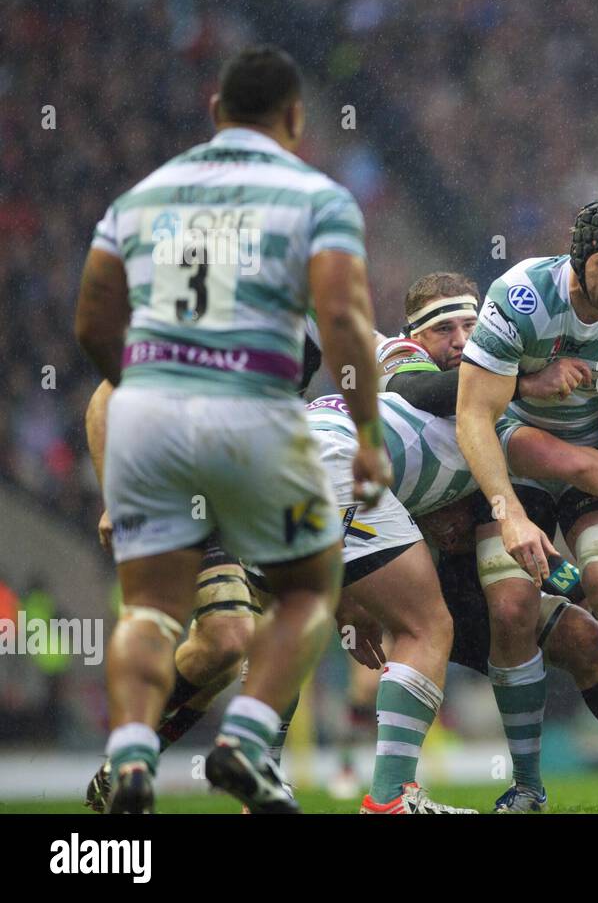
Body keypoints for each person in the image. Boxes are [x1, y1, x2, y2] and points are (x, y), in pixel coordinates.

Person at [73, 45, 389, 813]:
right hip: (250, 413)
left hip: (152, 425)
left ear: (215, 112)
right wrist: (370, 437)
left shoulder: (142, 198)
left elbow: (91, 326)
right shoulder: (316, 198)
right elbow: (345, 321)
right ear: (294, 119)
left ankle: (132, 756)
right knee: (311, 588)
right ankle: (244, 741)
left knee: (154, 611)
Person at [456, 197, 598, 809]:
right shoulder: (521, 295)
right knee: (510, 611)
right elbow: (474, 414)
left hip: (593, 462)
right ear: (579, 257)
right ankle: (528, 785)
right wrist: (506, 512)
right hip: (518, 458)